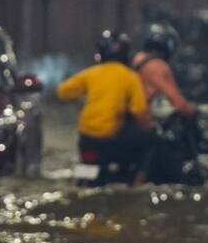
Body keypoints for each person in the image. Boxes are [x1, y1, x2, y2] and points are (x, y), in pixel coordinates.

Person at [57, 30, 152, 185]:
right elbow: (139, 111)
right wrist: (148, 126)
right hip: (110, 138)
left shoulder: (90, 74)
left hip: (86, 136)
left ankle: (82, 181)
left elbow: (62, 92)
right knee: (150, 142)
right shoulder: (130, 77)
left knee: (85, 172)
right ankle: (136, 184)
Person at [131, 23, 197, 116]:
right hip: (144, 116)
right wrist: (188, 109)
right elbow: (173, 96)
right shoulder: (159, 66)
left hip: (133, 113)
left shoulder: (138, 58)